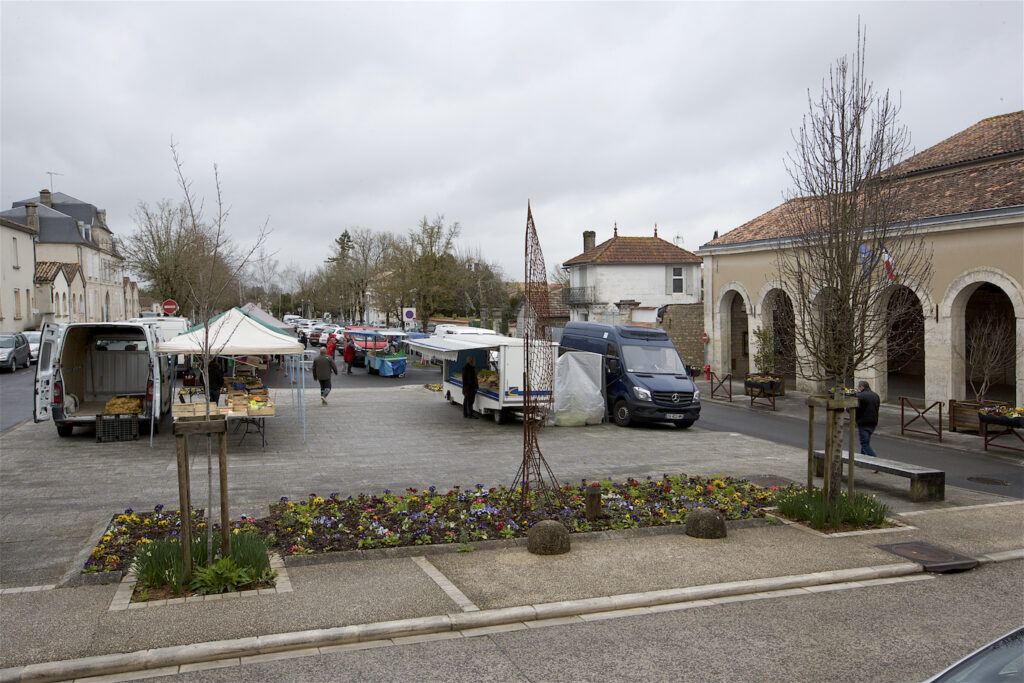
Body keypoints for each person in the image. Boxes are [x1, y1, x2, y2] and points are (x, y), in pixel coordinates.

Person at [855, 380, 880, 458]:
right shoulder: (875, 395)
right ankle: (862, 459)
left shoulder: (860, 396)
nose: (857, 388)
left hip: (863, 423)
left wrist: (847, 409)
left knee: (865, 444)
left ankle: (876, 462)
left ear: (862, 387)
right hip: (873, 422)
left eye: (858, 387)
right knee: (866, 441)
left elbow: (856, 409)